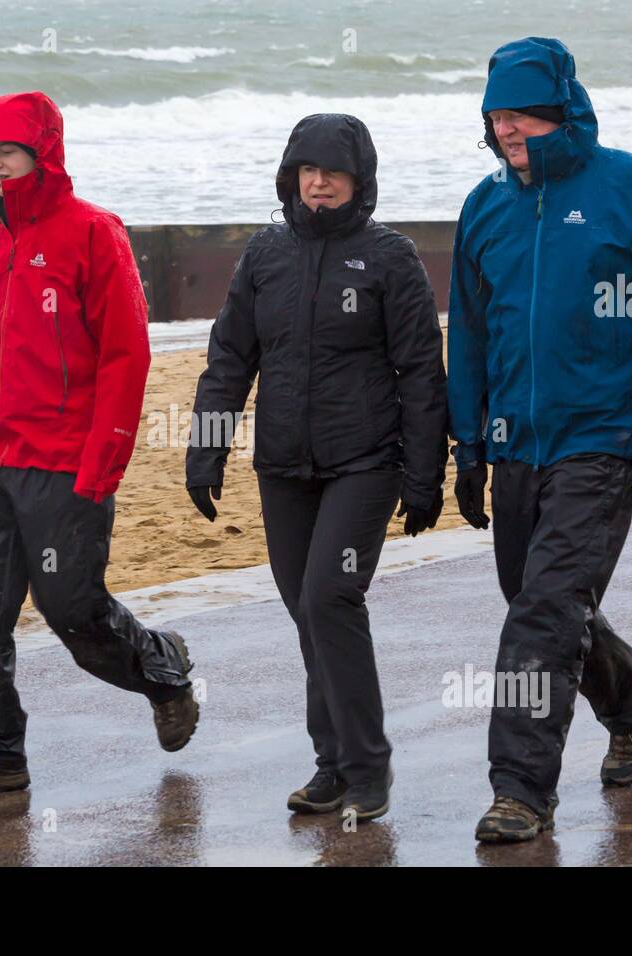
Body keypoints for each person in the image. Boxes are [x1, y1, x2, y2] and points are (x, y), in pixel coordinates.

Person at [447, 38, 632, 842]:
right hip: (514, 444)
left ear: (565, 112)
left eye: (524, 115)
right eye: (497, 117)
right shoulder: (484, 205)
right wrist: (466, 446)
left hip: (600, 437)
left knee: (541, 616)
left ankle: (521, 790)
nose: (509, 131)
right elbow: (467, 334)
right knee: (544, 607)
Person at [0, 91, 198, 801]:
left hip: (62, 461)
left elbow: (125, 355)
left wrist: (103, 462)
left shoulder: (94, 233)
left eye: (5, 152)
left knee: (73, 612)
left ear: (42, 155)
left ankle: (162, 667)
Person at [186, 114, 448, 822]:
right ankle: (330, 764)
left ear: (359, 181)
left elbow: (423, 371)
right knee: (306, 611)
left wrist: (426, 475)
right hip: (283, 465)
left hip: (365, 461)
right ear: (290, 178)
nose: (320, 182)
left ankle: (367, 768)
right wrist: (207, 443)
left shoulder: (389, 257)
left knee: (331, 597)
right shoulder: (265, 255)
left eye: (334, 172)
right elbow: (231, 357)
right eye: (308, 171)